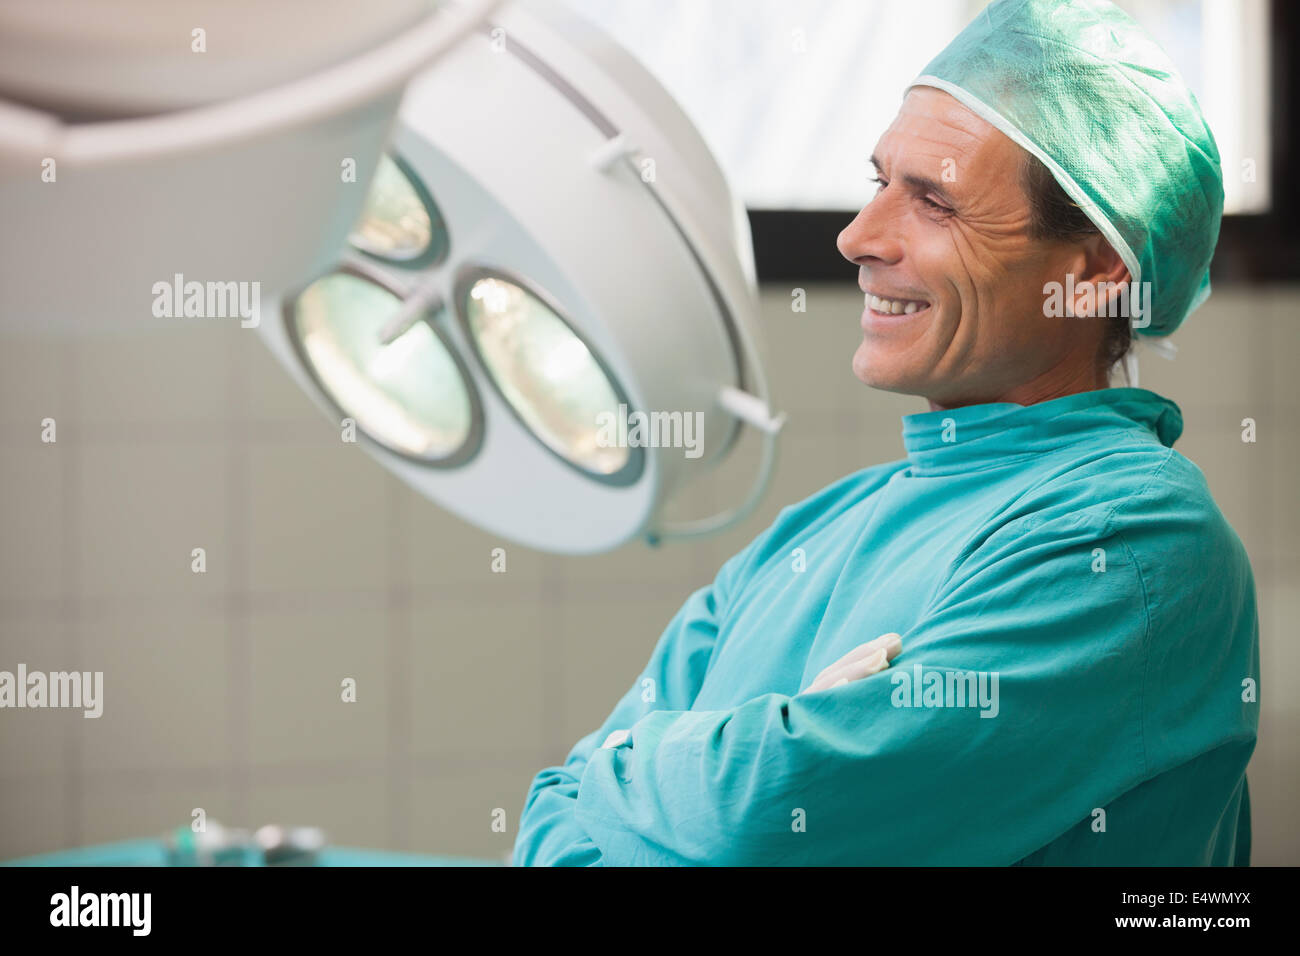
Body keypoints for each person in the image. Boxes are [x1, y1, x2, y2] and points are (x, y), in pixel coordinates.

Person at [513, 0, 1258, 866]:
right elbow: (551, 814)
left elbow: (773, 821)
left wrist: (642, 771)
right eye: (880, 184)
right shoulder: (809, 535)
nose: (858, 236)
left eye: (935, 203)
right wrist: (757, 759)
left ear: (1092, 272)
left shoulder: (1131, 544)